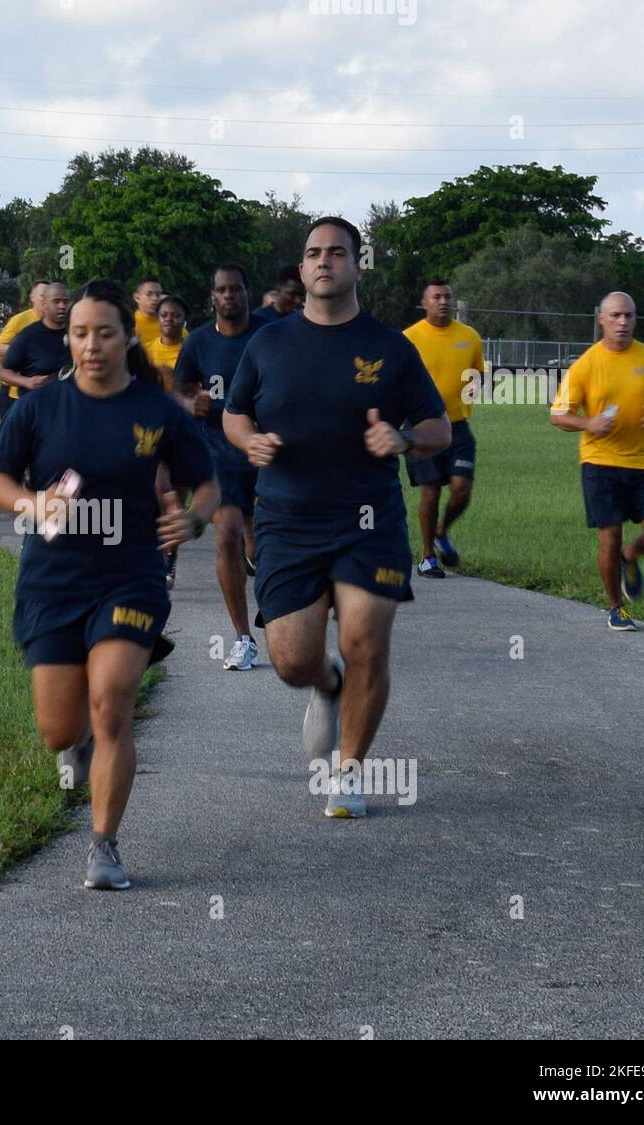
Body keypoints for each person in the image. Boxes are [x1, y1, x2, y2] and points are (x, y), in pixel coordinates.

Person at [0, 278, 219, 890]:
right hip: (52, 582)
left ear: (124, 337)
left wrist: (193, 518)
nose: (90, 345)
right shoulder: (39, 408)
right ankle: (77, 743)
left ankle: (104, 847)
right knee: (60, 729)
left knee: (111, 702)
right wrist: (32, 503)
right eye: (79, 333)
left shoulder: (156, 410)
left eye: (104, 333)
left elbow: (207, 482)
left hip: (129, 576)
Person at [223, 216, 449, 818]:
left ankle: (348, 772)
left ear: (357, 265)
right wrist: (249, 442)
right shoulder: (267, 343)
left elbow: (438, 426)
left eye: (338, 253)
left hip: (367, 519)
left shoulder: (391, 347)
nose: (325, 262)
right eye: (314, 253)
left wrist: (402, 441)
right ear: (301, 270)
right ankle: (328, 684)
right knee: (293, 660)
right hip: (287, 519)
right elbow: (234, 412)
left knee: (365, 639)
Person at [550, 291, 644, 631]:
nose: (623, 322)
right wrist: (588, 423)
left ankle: (631, 555)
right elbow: (558, 415)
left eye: (629, 316)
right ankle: (616, 607)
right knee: (609, 536)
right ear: (602, 319)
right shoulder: (585, 365)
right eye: (616, 316)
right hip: (601, 463)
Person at [173, 264, 268, 672]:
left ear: (248, 292)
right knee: (225, 535)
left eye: (236, 289)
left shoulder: (267, 336)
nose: (229, 296)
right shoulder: (196, 344)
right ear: (212, 297)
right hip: (216, 455)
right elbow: (176, 392)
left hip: (264, 451)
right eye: (221, 290)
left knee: (262, 542)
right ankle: (244, 638)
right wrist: (187, 403)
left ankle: (269, 588)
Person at [403, 280, 485, 577]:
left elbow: (478, 373)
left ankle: (442, 531)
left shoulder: (470, 336)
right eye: (436, 296)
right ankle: (427, 557)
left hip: (459, 427)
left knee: (462, 489)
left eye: (447, 296)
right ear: (424, 302)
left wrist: (474, 386)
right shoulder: (409, 338)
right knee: (430, 492)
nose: (443, 301)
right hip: (422, 428)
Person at [0, 281, 71, 404]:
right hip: (37, 409)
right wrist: (26, 382)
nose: (62, 306)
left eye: (66, 302)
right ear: (44, 304)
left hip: (69, 408)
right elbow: (4, 371)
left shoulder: (77, 332)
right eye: (56, 301)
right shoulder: (29, 335)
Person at [0, 280, 47, 419]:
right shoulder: (20, 320)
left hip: (44, 392)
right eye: (43, 295)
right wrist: (26, 352)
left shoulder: (57, 323)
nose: (46, 299)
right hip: (13, 391)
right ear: (32, 298)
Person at [143, 294, 187, 390]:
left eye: (176, 316)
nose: (169, 319)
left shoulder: (193, 351)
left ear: (184, 320)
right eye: (163, 315)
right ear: (157, 318)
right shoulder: (144, 351)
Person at [131, 277, 165, 348]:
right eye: (149, 294)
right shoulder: (129, 324)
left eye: (158, 295)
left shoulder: (170, 324)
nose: (155, 299)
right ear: (137, 298)